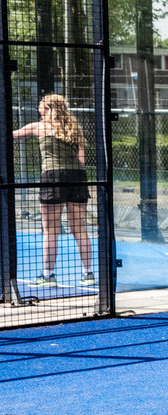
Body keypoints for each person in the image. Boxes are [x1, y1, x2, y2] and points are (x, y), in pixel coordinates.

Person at [13, 94, 94, 286]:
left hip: (53, 177)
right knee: (79, 228)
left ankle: (48, 276)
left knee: (50, 231)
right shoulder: (76, 130)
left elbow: (12, 135)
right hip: (77, 177)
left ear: (48, 109)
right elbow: (81, 160)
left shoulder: (39, 127)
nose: (38, 110)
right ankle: (88, 274)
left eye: (41, 107)